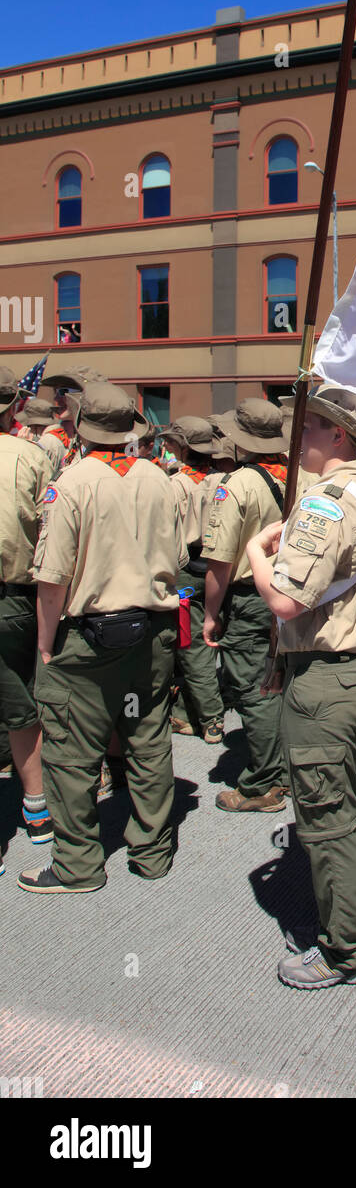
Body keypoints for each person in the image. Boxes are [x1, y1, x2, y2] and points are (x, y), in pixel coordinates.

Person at [18, 381, 187, 893]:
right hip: (152, 630)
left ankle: (78, 865)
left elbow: (52, 578)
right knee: (147, 739)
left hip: (88, 637)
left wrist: (46, 643)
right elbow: (178, 558)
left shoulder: (72, 482)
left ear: (82, 427)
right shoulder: (160, 479)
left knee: (71, 751)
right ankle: (153, 852)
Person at [246, 386, 356, 988]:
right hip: (352, 673)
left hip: (325, 680)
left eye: (309, 428)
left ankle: (348, 951)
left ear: (339, 437)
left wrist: (256, 551)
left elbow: (284, 598)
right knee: (349, 809)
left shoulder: (325, 501)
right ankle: (351, 930)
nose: (298, 436)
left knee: (327, 816)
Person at [201, 398, 290, 813]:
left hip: (251, 596)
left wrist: (209, 613)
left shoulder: (237, 484)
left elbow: (220, 563)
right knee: (284, 681)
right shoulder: (300, 475)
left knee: (255, 688)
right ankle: (287, 769)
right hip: (293, 595)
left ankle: (263, 784)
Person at [0, 367, 55, 860]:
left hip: (12, 597)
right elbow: (49, 533)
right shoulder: (32, 458)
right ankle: (36, 808)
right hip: (13, 597)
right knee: (22, 705)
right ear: (13, 408)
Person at [161, 417, 225, 745]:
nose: (168, 447)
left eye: (172, 442)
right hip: (216, 566)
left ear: (184, 448)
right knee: (204, 642)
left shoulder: (176, 484)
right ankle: (186, 715)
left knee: (191, 646)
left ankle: (212, 718)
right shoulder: (222, 479)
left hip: (186, 570)